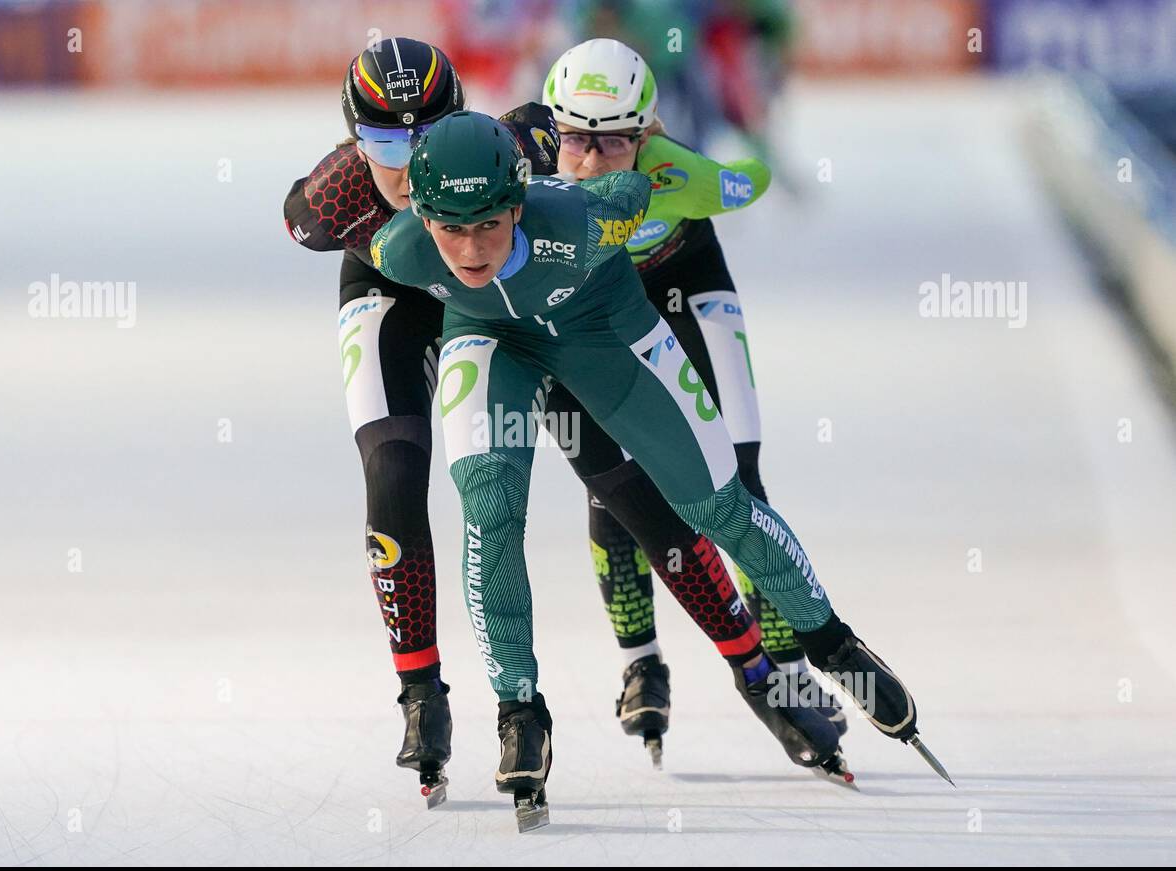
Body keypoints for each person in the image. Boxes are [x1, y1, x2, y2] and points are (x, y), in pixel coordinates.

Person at [282, 38, 836, 804]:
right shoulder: (331, 197)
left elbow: (622, 177)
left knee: (631, 489)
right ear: (352, 141)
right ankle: (422, 696)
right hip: (397, 296)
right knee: (395, 470)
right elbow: (303, 217)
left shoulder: (518, 141)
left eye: (425, 136)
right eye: (382, 143)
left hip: (504, 312)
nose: (408, 165)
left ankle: (756, 672)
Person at [369, 110, 928, 826]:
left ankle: (834, 645)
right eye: (451, 227)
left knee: (718, 506)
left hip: (606, 340)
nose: (470, 248)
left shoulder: (587, 218)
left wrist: (663, 147)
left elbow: (643, 187)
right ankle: (519, 708)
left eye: (488, 224)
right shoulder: (402, 249)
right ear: (424, 214)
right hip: (494, 345)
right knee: (490, 509)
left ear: (518, 203)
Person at [539, 37, 845, 758]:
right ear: (551, 129)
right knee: (613, 489)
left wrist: (752, 128)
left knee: (741, 482)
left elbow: (754, 177)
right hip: (599, 313)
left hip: (686, 285)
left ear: (646, 135)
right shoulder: (527, 169)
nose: (588, 160)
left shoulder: (682, 174)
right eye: (575, 139)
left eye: (613, 142)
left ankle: (792, 673)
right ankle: (641, 666)